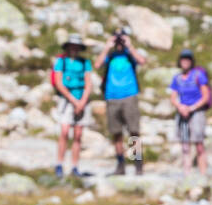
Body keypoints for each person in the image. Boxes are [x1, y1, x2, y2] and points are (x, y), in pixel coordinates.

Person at [96, 27, 147, 175]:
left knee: (133, 131)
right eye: (117, 37)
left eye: (121, 37)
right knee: (116, 132)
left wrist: (130, 46)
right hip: (112, 96)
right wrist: (107, 47)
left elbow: (142, 61)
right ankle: (120, 164)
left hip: (129, 95)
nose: (119, 40)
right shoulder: (110, 55)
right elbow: (98, 64)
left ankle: (137, 163)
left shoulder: (129, 55)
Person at [51, 33, 93, 178]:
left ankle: (136, 162)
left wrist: (82, 101)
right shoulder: (61, 62)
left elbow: (89, 83)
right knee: (64, 131)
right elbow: (58, 82)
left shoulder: (85, 62)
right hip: (68, 100)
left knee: (134, 132)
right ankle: (59, 164)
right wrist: (75, 101)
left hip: (129, 98)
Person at [168, 48, 210, 176]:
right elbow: (173, 97)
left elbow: (205, 95)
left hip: (196, 113)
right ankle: (187, 175)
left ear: (191, 61)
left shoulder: (198, 75)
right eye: (183, 59)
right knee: (185, 145)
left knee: (199, 144)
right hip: (183, 114)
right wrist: (180, 107)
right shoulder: (177, 78)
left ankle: (203, 175)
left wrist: (192, 108)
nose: (185, 62)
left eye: (187, 59)